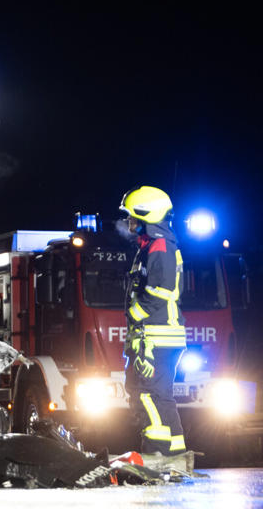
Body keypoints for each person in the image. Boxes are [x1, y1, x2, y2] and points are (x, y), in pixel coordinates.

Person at [119, 186, 187, 457]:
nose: (129, 223)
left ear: (148, 216)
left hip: (156, 337)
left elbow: (161, 290)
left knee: (147, 393)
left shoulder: (159, 246)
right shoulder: (153, 246)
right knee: (158, 394)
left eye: (133, 218)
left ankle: (157, 451)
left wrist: (135, 313)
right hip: (156, 336)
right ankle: (174, 452)